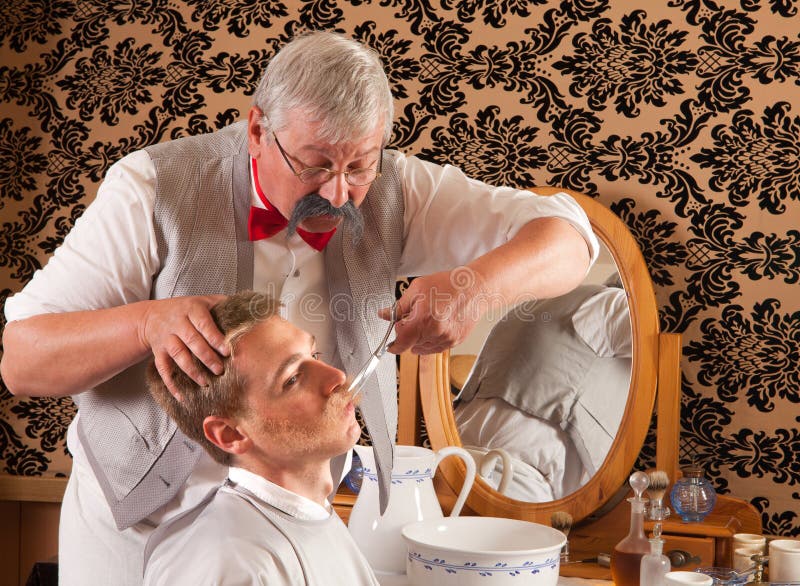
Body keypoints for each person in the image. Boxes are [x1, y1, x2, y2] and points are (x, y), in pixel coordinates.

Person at [0, 31, 598, 585]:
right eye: (314, 165)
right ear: (258, 130)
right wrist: (145, 323)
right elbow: (21, 361)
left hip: (294, 523)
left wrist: (473, 288)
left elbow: (571, 236)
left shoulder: (398, 189)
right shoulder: (151, 187)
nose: (339, 195)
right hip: (134, 525)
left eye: (360, 166)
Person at [141, 291, 378, 585]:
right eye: (292, 378)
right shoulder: (231, 565)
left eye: (314, 355)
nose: (337, 377)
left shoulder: (312, 516)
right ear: (230, 434)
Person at [455, 279, 632, 501]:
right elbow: (672, 337)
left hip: (456, 459)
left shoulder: (541, 299)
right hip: (516, 479)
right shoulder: (613, 305)